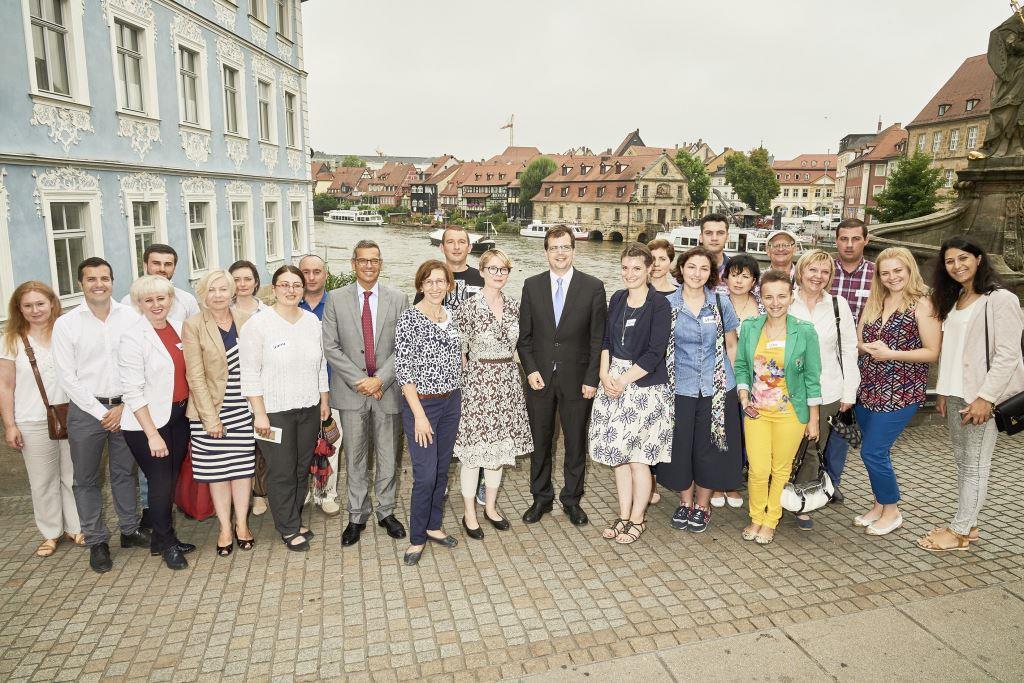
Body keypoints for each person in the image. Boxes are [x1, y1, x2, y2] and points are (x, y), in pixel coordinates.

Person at [918, 237, 1024, 551]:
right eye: (950, 261)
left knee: (976, 463)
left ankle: (960, 531)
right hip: (955, 394)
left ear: (978, 259)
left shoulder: (999, 299)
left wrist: (986, 398)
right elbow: (951, 351)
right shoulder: (957, 297)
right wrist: (943, 391)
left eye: (964, 258)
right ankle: (970, 523)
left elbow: (1008, 354)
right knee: (964, 462)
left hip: (980, 397)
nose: (957, 266)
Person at [52, 258, 148, 574]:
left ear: (112, 281)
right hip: (85, 411)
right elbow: (67, 376)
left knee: (125, 473)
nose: (98, 284)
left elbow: (140, 362)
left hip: (126, 408)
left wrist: (123, 407)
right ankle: (97, 541)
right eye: (91, 278)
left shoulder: (131, 317)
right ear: (81, 283)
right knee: (86, 479)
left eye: (104, 278)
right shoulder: (67, 324)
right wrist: (100, 412)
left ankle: (130, 530)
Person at [518, 225, 607, 526]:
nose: (560, 253)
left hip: (578, 380)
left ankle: (572, 500)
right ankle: (540, 498)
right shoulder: (531, 286)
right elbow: (524, 338)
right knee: (540, 442)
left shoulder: (593, 287)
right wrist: (530, 370)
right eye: (554, 247)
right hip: (539, 379)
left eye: (565, 247)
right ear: (545, 252)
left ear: (573, 249)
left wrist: (592, 379)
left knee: (575, 442)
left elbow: (598, 340)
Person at [322, 241, 408, 547]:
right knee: (355, 457)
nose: (368, 266)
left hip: (386, 391)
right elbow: (330, 346)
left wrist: (380, 380)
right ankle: (356, 515)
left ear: (381, 264)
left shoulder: (399, 299)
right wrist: (361, 380)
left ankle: (386, 512)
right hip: (350, 392)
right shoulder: (335, 299)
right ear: (353, 263)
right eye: (363, 260)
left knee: (388, 456)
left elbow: (405, 346)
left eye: (374, 261)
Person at [240, 265, 330, 552]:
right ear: (274, 288)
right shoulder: (258, 325)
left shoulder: (312, 322)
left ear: (303, 289)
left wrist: (324, 400)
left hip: (308, 408)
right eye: (284, 285)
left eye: (296, 285)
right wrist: (259, 413)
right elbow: (249, 373)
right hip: (273, 412)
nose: (291, 290)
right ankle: (288, 527)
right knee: (280, 470)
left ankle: (293, 517)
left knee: (302, 467)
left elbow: (321, 365)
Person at [589, 243, 672, 544]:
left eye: (637, 268)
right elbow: (606, 341)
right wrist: (603, 375)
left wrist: (622, 380)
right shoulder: (618, 298)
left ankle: (638, 520)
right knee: (619, 459)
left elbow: (654, 354)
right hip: (612, 384)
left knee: (639, 460)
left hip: (644, 389)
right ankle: (623, 515)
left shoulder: (659, 304)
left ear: (650, 268)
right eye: (625, 267)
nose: (630, 273)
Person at [855, 247, 940, 536]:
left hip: (901, 391)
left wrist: (891, 354)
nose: (892, 277)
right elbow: (859, 340)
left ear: (909, 270)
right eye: (885, 272)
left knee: (873, 452)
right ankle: (878, 505)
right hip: (867, 388)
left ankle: (892, 511)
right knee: (873, 452)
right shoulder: (875, 301)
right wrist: (866, 348)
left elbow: (932, 352)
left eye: (898, 271)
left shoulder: (923, 304)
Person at [734, 269, 823, 545]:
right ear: (761, 297)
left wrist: (813, 418)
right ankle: (755, 517)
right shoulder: (749, 327)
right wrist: (743, 393)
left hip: (790, 414)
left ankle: (770, 520)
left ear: (791, 296)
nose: (775, 302)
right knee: (758, 470)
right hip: (756, 412)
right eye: (769, 296)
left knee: (780, 470)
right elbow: (740, 366)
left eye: (781, 296)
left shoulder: (804, 331)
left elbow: (812, 377)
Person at [659, 247, 742, 534]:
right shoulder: (666, 304)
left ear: (712, 273)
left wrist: (741, 387)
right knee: (681, 449)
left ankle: (703, 506)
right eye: (691, 267)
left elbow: (732, 346)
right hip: (678, 389)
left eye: (703, 268)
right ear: (681, 269)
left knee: (709, 450)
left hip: (717, 389)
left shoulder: (721, 304)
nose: (697, 273)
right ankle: (684, 502)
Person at [453, 249, 533, 539]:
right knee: (473, 454)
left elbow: (523, 346)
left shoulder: (514, 306)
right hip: (477, 384)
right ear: (482, 270)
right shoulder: (468, 307)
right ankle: (469, 513)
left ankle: (491, 508)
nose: (498, 274)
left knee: (498, 452)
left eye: (504, 270)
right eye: (493, 269)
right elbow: (458, 352)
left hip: (507, 384)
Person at [119, 244, 199, 531]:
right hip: (149, 423)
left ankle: (159, 539)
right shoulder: (132, 336)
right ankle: (166, 542)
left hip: (178, 417)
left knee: (170, 477)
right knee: (160, 483)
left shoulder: (179, 327)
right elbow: (132, 390)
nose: (156, 304)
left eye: (161, 298)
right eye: (149, 300)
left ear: (170, 299)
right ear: (139, 303)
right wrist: (152, 434)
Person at [1, 282, 83, 557]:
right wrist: (10, 424)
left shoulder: (67, 331)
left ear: (51, 303)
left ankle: (76, 527)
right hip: (32, 419)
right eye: (28, 305)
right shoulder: (10, 339)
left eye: (40, 304)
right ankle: (51, 532)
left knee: (73, 475)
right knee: (42, 480)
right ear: (19, 309)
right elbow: (5, 386)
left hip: (71, 415)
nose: (35, 310)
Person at [182, 270, 255, 557]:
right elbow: (195, 376)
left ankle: (242, 524)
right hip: (210, 412)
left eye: (223, 289)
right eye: (211, 290)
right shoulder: (193, 325)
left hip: (242, 410)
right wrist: (210, 418)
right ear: (203, 294)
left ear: (232, 291)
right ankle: (224, 527)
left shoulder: (246, 321)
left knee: (242, 471)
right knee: (218, 473)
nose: (218, 295)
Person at [395, 260, 463, 565]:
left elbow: (460, 355)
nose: (436, 287)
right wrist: (419, 415)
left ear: (449, 285)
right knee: (424, 475)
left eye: (441, 281)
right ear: (420, 285)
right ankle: (417, 538)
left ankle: (434, 526)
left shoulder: (453, 317)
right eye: (429, 281)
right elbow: (404, 372)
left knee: (441, 469)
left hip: (451, 401)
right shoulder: (409, 319)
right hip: (421, 404)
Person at [788, 250, 860, 528]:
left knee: (813, 448)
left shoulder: (837, 305)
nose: (818, 277)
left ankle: (803, 502)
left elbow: (849, 349)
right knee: (785, 447)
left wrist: (849, 392)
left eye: (825, 272)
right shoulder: (785, 300)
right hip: (788, 390)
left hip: (828, 388)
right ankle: (776, 497)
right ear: (800, 271)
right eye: (812, 270)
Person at [709, 253, 765, 509]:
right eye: (734, 275)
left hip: (758, 377)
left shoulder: (764, 305)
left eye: (745, 276)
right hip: (720, 375)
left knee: (746, 431)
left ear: (754, 280)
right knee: (722, 429)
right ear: (725, 277)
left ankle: (736, 481)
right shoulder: (714, 301)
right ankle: (719, 483)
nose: (739, 281)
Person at [825, 218, 875, 496]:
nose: (849, 244)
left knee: (842, 423)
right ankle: (809, 474)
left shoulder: (877, 274)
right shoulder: (824, 270)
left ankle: (832, 482)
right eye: (844, 239)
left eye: (855, 239)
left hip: (859, 360)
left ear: (865, 240)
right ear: (836, 240)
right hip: (823, 357)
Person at [298, 254, 340, 518]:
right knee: (299, 447)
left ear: (326, 274)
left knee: (331, 443)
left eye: (317, 272)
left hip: (333, 387)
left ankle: (327, 494)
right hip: (298, 390)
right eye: (305, 272)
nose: (311, 277)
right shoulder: (288, 304)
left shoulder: (337, 304)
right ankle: (301, 493)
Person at [228, 259, 267, 516]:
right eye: (236, 279)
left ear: (255, 282)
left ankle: (261, 493)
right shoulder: (220, 310)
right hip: (230, 395)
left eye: (247, 279)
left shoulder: (267, 313)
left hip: (263, 391)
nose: (242, 285)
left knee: (264, 444)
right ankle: (242, 494)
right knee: (240, 447)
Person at [645, 238, 677, 506]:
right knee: (647, 428)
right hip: (643, 372)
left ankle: (671, 480)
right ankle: (649, 482)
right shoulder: (634, 291)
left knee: (667, 429)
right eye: (651, 260)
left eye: (662, 259)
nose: (656, 265)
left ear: (671, 262)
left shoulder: (679, 294)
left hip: (674, 372)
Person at [414, 225, 484, 306]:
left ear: (469, 248)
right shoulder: (429, 278)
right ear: (442, 248)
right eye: (450, 242)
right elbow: (418, 312)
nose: (456, 247)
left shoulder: (483, 278)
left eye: (461, 242)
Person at [697, 213, 732, 293]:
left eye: (720, 233)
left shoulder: (736, 270)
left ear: (727, 237)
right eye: (708, 233)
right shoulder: (687, 270)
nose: (714, 238)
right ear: (701, 237)